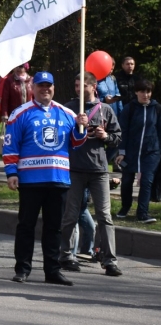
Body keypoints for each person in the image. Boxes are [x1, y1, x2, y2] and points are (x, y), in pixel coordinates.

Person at [4, 71, 87, 286]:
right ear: (33, 88)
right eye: (41, 85)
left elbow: (76, 144)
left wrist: (81, 127)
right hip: (30, 180)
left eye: (48, 85)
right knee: (26, 226)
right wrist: (11, 173)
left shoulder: (67, 113)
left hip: (58, 178)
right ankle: (22, 269)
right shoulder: (20, 114)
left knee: (54, 228)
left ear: (54, 88)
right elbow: (10, 146)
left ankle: (53, 270)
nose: (45, 89)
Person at [59, 72, 122, 276]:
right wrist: (77, 127)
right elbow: (61, 136)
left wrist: (106, 136)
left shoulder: (106, 110)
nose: (78, 89)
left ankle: (109, 260)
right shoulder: (69, 108)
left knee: (105, 216)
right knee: (70, 214)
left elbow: (117, 137)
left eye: (82, 85)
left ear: (94, 87)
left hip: (99, 170)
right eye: (76, 85)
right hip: (75, 169)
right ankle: (66, 255)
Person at [116, 80, 161, 223]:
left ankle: (142, 213)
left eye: (148, 92)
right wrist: (122, 151)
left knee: (147, 181)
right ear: (136, 92)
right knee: (127, 180)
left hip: (151, 152)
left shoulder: (157, 108)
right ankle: (125, 206)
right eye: (142, 92)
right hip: (130, 151)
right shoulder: (129, 108)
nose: (145, 95)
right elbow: (123, 131)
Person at [0, 64, 33, 165]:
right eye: (16, 66)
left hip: (29, 115)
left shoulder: (31, 80)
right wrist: (4, 114)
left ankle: (26, 160)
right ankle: (12, 161)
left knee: (28, 138)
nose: (18, 69)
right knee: (14, 139)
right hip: (14, 116)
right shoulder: (9, 80)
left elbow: (34, 98)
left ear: (26, 67)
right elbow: (5, 99)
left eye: (21, 66)